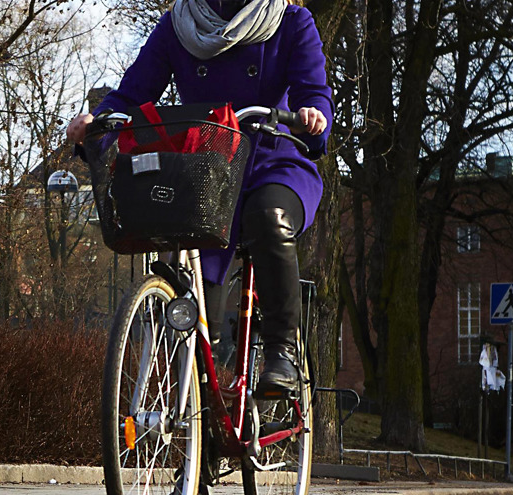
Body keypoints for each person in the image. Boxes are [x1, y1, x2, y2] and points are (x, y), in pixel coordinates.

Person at [66, 0, 332, 393]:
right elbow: (133, 93)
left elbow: (314, 89)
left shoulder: (290, 20)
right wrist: (98, 120)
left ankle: (281, 352)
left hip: (273, 163)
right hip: (208, 171)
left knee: (269, 215)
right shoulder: (179, 25)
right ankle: (198, 395)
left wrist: (314, 114)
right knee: (190, 281)